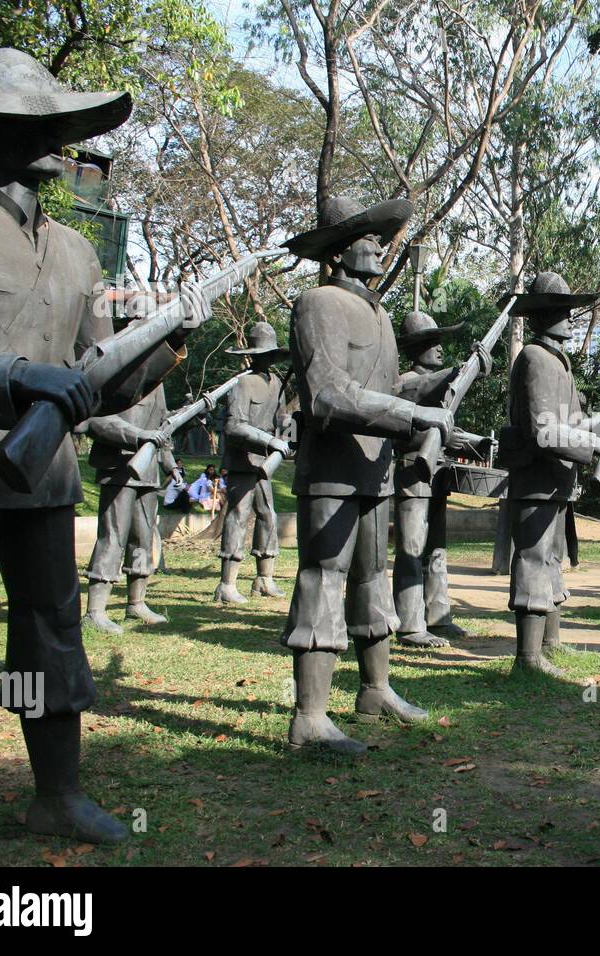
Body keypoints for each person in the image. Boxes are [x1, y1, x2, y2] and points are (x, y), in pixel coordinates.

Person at [0, 48, 192, 843]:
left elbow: (99, 380)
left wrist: (165, 340)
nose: (63, 140)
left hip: (46, 480)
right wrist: (19, 377)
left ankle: (57, 794)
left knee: (52, 630)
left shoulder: (80, 252)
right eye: (43, 123)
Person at [279, 194, 453, 755]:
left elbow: (387, 391)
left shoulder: (377, 313)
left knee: (371, 578)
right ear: (339, 250)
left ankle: (375, 689)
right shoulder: (317, 304)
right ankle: (309, 718)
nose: (380, 247)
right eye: (369, 237)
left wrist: (436, 386)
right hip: (331, 470)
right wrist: (411, 413)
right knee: (323, 579)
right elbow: (328, 394)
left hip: (376, 470)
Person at [498, 272, 600, 675]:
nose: (570, 317)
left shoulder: (556, 362)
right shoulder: (534, 358)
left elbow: (570, 422)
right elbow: (543, 430)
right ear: (543, 316)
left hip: (554, 481)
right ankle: (528, 659)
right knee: (532, 559)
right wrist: (595, 446)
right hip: (535, 478)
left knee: (550, 559)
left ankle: (550, 645)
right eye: (561, 310)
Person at [393, 310, 494, 647]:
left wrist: (477, 442)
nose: (438, 348)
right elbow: (424, 390)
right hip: (412, 472)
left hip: (437, 473)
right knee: (411, 548)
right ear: (415, 348)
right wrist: (466, 368)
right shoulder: (407, 382)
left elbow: (447, 430)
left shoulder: (436, 390)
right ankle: (410, 624)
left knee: (436, 549)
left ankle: (437, 616)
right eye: (431, 342)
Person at [82, 299, 181, 633]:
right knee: (112, 537)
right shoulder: (108, 369)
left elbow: (163, 424)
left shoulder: (157, 374)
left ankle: (136, 602)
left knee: (143, 537)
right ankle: (95, 609)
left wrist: (170, 464)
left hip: (148, 471)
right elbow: (94, 422)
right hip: (120, 467)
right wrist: (137, 436)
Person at [214, 322, 292, 603]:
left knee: (268, 515)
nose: (268, 358)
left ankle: (264, 579)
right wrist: (269, 441)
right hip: (242, 461)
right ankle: (227, 584)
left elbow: (281, 419)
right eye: (263, 353)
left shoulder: (277, 384)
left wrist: (285, 427)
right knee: (237, 516)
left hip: (264, 464)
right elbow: (234, 427)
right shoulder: (242, 384)